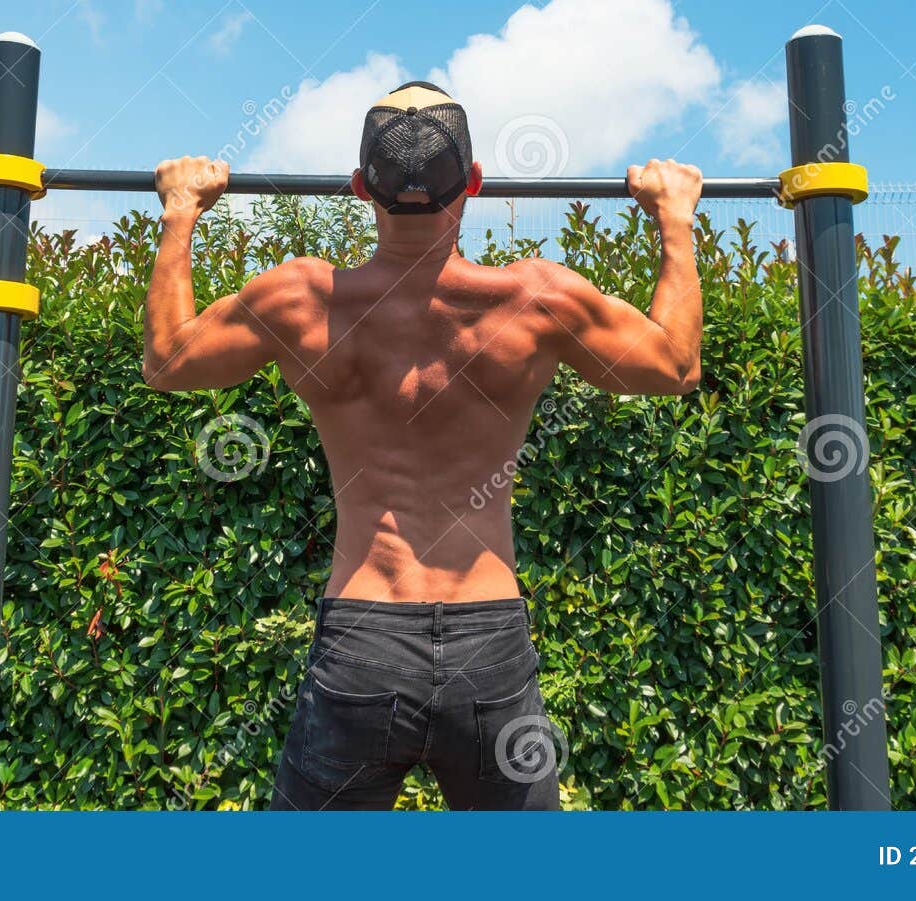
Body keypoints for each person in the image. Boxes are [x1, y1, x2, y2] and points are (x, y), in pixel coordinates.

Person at [143, 81, 704, 809]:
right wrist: (675, 219)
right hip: (488, 647)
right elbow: (675, 365)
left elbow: (166, 360)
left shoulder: (302, 299)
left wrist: (181, 213)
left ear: (357, 187)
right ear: (471, 182)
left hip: (362, 641)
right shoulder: (533, 299)